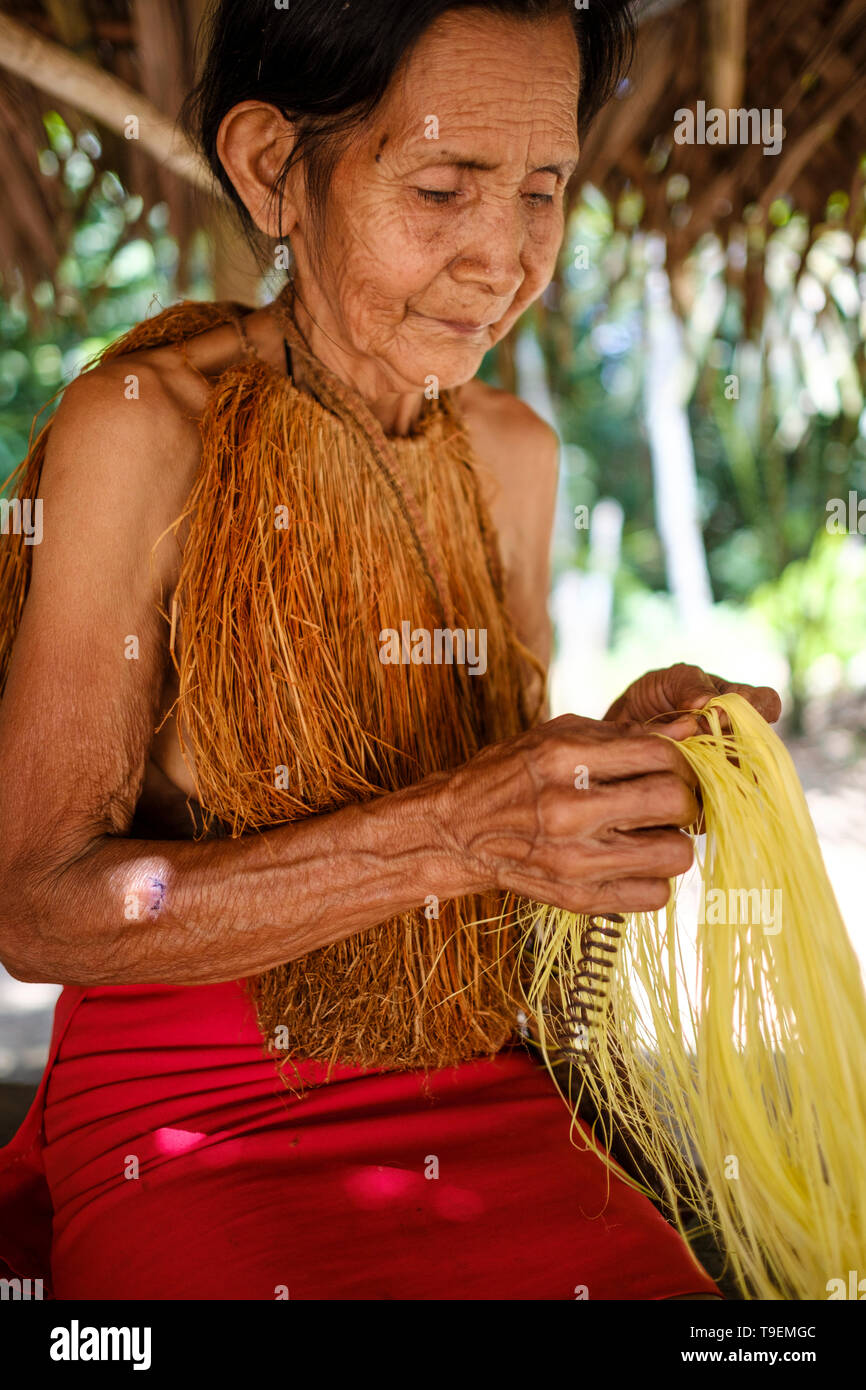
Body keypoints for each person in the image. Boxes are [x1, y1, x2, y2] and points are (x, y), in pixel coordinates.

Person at [0, 0, 780, 1300]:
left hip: (479, 1079)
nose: (503, 257)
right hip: (195, 1118)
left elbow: (490, 831)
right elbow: (33, 906)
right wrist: (450, 833)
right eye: (438, 187)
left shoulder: (514, 458)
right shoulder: (143, 428)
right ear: (269, 170)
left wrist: (613, 764)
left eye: (541, 191)